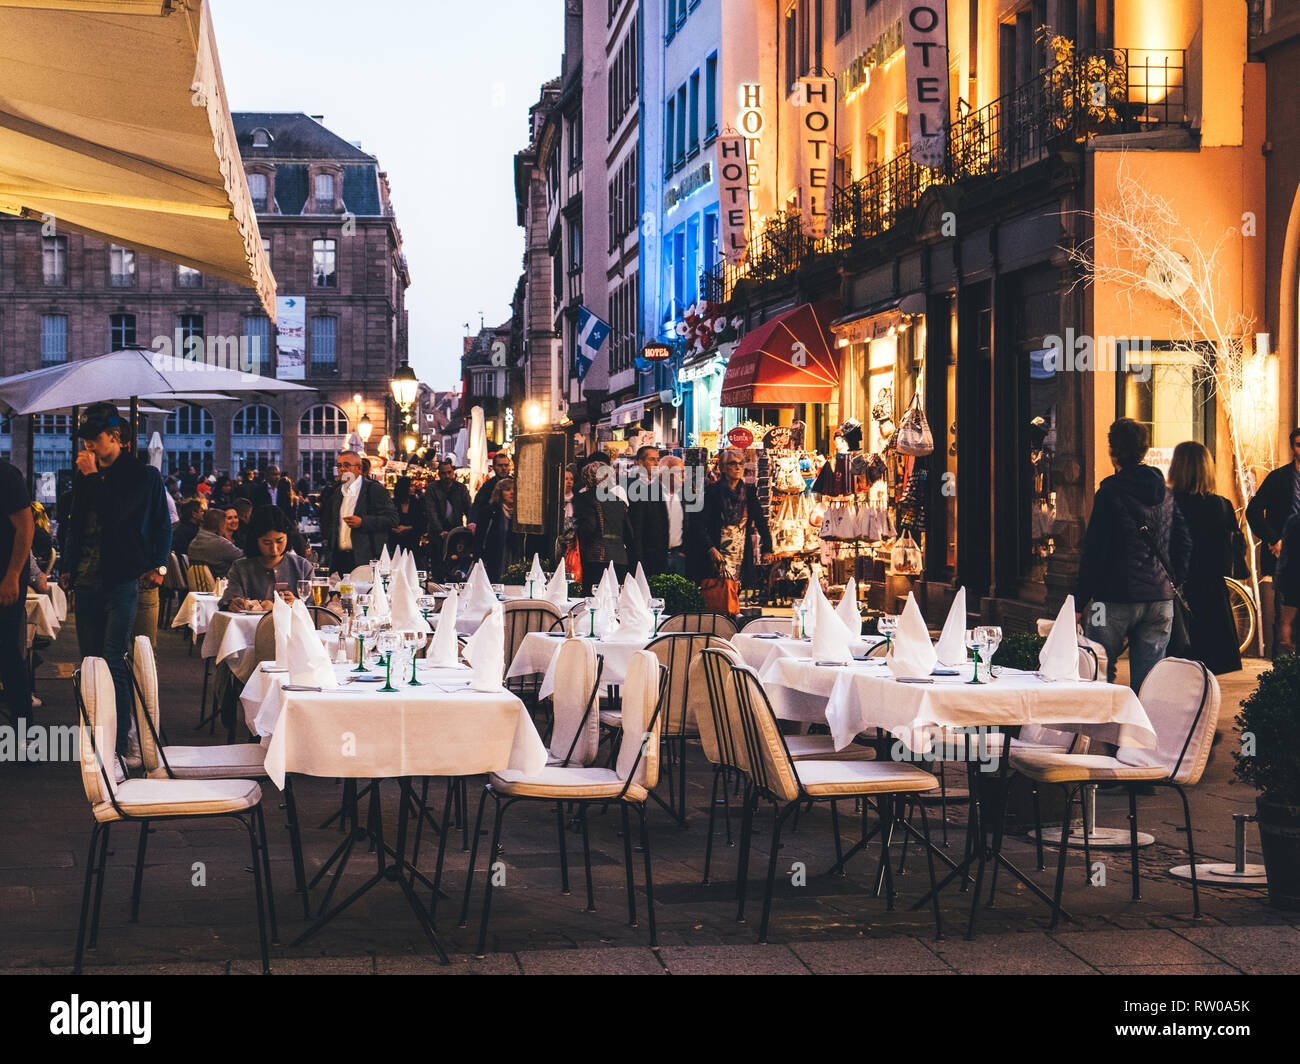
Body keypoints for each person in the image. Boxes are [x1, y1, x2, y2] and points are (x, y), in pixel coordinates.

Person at [61, 403, 171, 759]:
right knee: (90, 661)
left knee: (113, 658)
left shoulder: (140, 475)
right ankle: (98, 737)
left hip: (122, 576)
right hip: (86, 577)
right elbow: (75, 522)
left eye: (96, 438)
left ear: (117, 437)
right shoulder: (85, 474)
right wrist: (67, 564)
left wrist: (159, 565)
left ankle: (123, 743)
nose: (90, 445)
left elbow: (122, 519)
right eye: (87, 439)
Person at [1075, 418, 1193, 692]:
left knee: (1100, 673)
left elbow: (1094, 551)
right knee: (1149, 682)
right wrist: (1171, 578)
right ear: (1144, 449)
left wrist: (1079, 602)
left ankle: (1102, 731)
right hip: (1159, 599)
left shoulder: (1108, 493)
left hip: (1113, 599)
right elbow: (1184, 543)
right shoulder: (1165, 493)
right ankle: (1141, 733)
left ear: (1112, 451)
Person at [1168, 441, 1242, 675]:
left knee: (1177, 661)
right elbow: (1228, 550)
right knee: (1210, 666)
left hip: (1178, 588)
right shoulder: (1221, 505)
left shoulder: (1168, 503)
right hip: (1211, 589)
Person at [1245, 426, 1300, 655]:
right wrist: (1273, 539)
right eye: (1298, 444)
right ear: (1292, 447)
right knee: (1283, 612)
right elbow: (1253, 511)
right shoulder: (1279, 478)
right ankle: (1281, 670)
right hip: (1285, 554)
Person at [689, 449, 772, 595]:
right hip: (719, 550)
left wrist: (767, 548)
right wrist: (711, 548)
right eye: (733, 464)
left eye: (741, 464)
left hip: (740, 549)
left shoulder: (748, 492)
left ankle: (732, 615)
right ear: (723, 467)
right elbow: (699, 524)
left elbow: (760, 521)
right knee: (718, 591)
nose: (738, 467)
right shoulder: (712, 492)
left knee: (736, 589)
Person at [218, 506, 315, 612]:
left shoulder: (302, 567)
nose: (274, 550)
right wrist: (232, 604)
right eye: (267, 543)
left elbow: (316, 609)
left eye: (279, 541)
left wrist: (297, 604)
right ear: (255, 541)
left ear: (288, 537)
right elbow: (227, 601)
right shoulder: (241, 568)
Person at [0, 456, 35, 735]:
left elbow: (25, 528)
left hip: (4, 579)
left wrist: (12, 575)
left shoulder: (6, 476)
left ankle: (25, 741)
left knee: (9, 656)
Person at [319, 450, 397, 573]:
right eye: (339, 466)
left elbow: (392, 520)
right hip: (339, 558)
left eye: (346, 465)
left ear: (359, 468)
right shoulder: (338, 492)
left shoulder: (374, 489)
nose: (342, 469)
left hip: (364, 557)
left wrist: (363, 522)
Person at [573, 453, 636, 593]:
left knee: (594, 602)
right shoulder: (619, 501)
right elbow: (629, 534)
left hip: (595, 558)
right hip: (620, 559)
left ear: (586, 479)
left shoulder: (584, 498)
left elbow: (588, 528)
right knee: (614, 602)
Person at [628, 445, 671, 577]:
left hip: (658, 555)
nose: (657, 464)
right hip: (639, 556)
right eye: (652, 460)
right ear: (640, 463)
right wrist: (638, 557)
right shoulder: (630, 486)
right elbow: (635, 525)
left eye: (657, 460)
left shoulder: (657, 486)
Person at [472, 476, 524, 582]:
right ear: (500, 493)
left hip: (513, 557)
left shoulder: (520, 514)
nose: (512, 493)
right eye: (508, 490)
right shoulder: (489, 511)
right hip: (493, 557)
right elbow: (480, 537)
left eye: (514, 489)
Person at [186, 509, 244, 578]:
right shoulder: (220, 544)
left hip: (201, 586)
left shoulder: (193, 542)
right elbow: (244, 557)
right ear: (221, 525)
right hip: (223, 584)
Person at [659, 455, 689, 577]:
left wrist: (683, 552)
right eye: (679, 473)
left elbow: (688, 526)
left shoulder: (685, 497)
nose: (683, 477)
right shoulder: (648, 496)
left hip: (678, 556)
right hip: (656, 558)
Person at [470, 451, 513, 533]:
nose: (503, 468)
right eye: (500, 465)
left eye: (506, 465)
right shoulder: (488, 486)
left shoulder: (514, 483)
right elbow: (477, 506)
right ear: (494, 467)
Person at [1276, 511, 1300, 651]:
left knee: (1287, 622)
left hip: (1292, 578)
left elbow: (1286, 555)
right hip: (1292, 578)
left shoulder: (1294, 520)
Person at [389, 476, 425, 556]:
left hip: (412, 542)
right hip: (395, 541)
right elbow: (387, 520)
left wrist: (407, 528)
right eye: (411, 486)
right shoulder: (393, 503)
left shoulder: (417, 503)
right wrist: (393, 528)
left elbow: (422, 523)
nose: (413, 488)